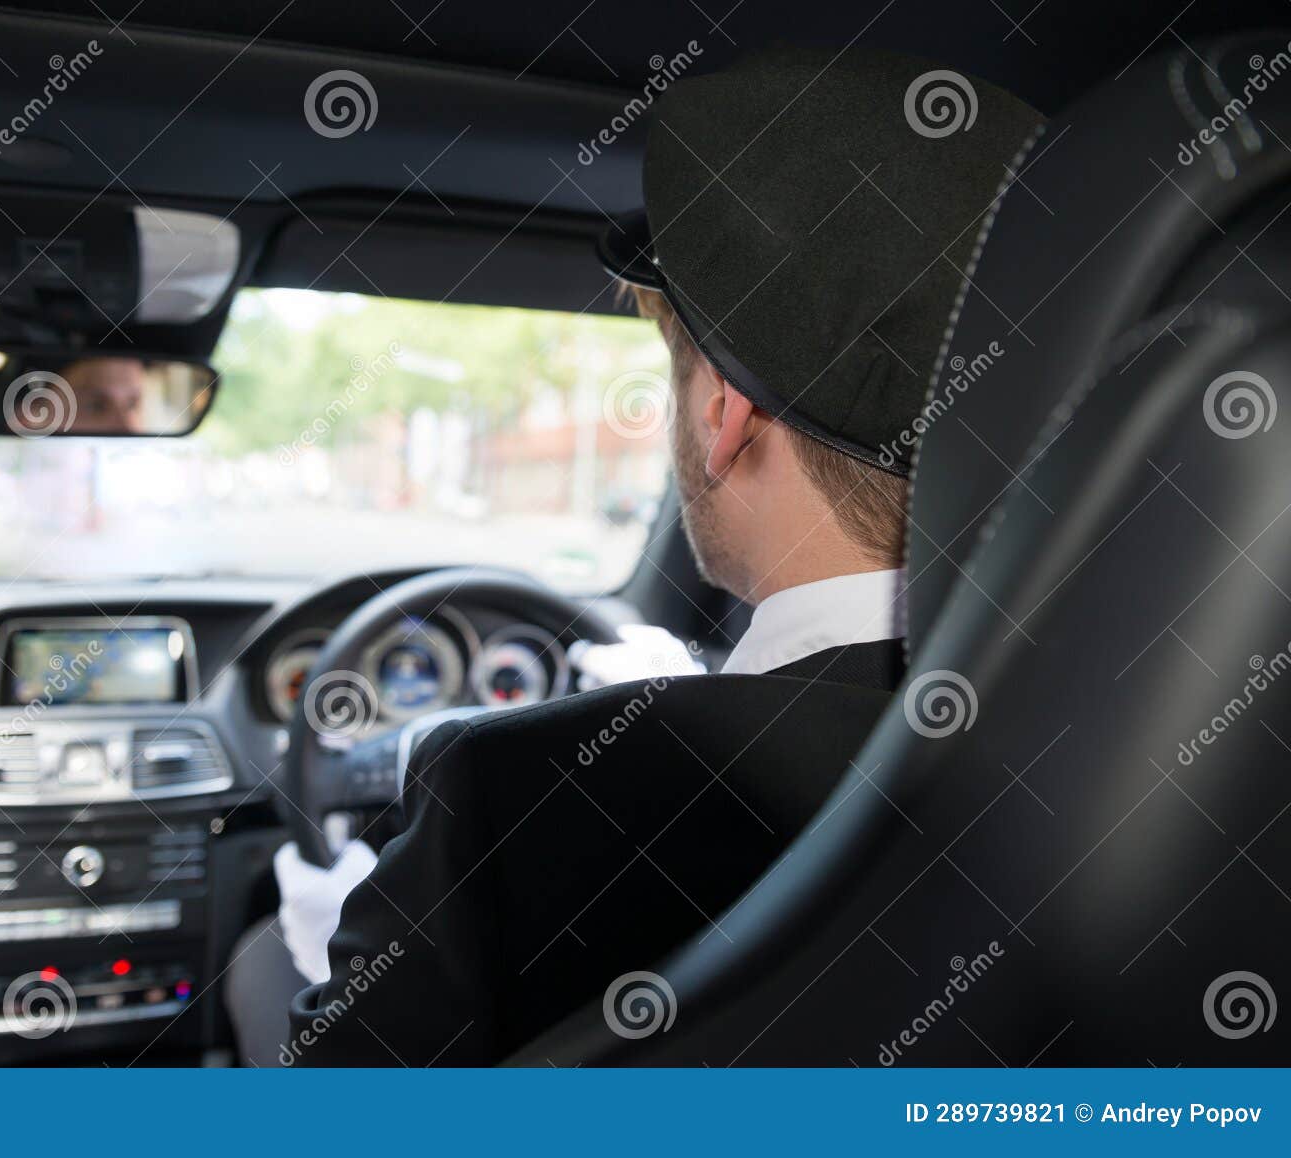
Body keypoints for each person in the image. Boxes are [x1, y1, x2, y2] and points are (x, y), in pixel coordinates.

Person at [226, 44, 1041, 1066]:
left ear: (720, 416)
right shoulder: (1133, 731)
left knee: (263, 962)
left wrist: (327, 940)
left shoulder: (510, 788)